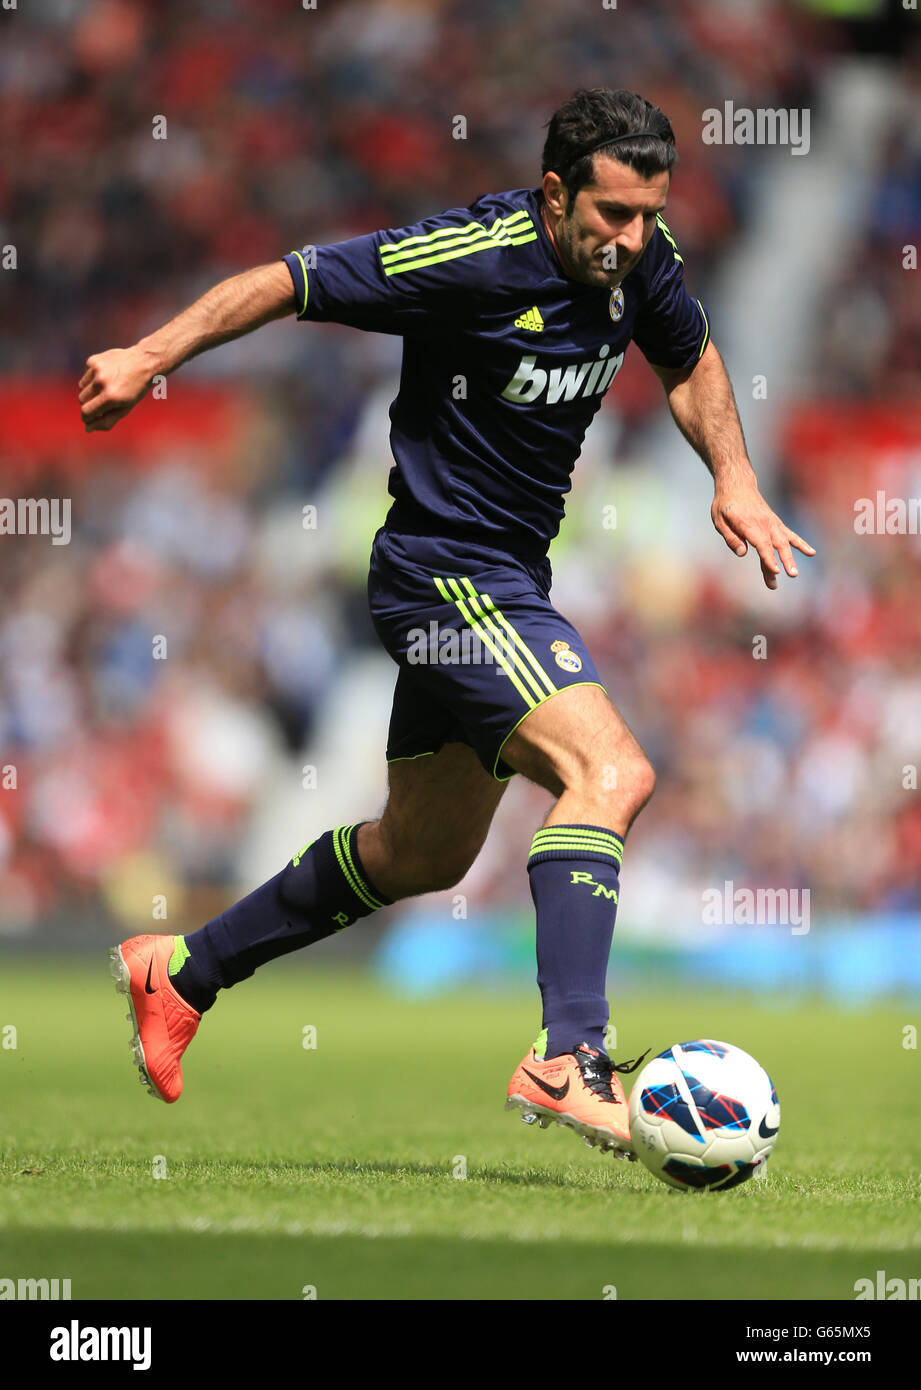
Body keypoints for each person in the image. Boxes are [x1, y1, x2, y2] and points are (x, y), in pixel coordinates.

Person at [81, 88, 814, 1157]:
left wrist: (735, 479)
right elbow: (287, 280)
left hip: (502, 576)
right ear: (555, 192)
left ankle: (183, 970)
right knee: (610, 772)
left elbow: (693, 359)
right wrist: (153, 356)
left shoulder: (643, 262)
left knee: (418, 851)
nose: (631, 237)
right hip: (444, 573)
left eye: (648, 213)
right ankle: (573, 1055)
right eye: (609, 213)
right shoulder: (469, 255)